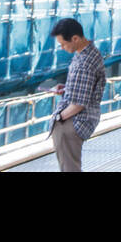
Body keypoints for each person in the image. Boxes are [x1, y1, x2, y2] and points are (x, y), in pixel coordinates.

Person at [48, 18, 106, 172]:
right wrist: (68, 88)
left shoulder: (84, 63)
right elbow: (87, 86)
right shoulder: (91, 52)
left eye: (63, 44)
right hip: (83, 119)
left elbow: (78, 104)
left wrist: (60, 118)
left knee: (70, 169)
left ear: (75, 38)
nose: (62, 48)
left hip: (74, 122)